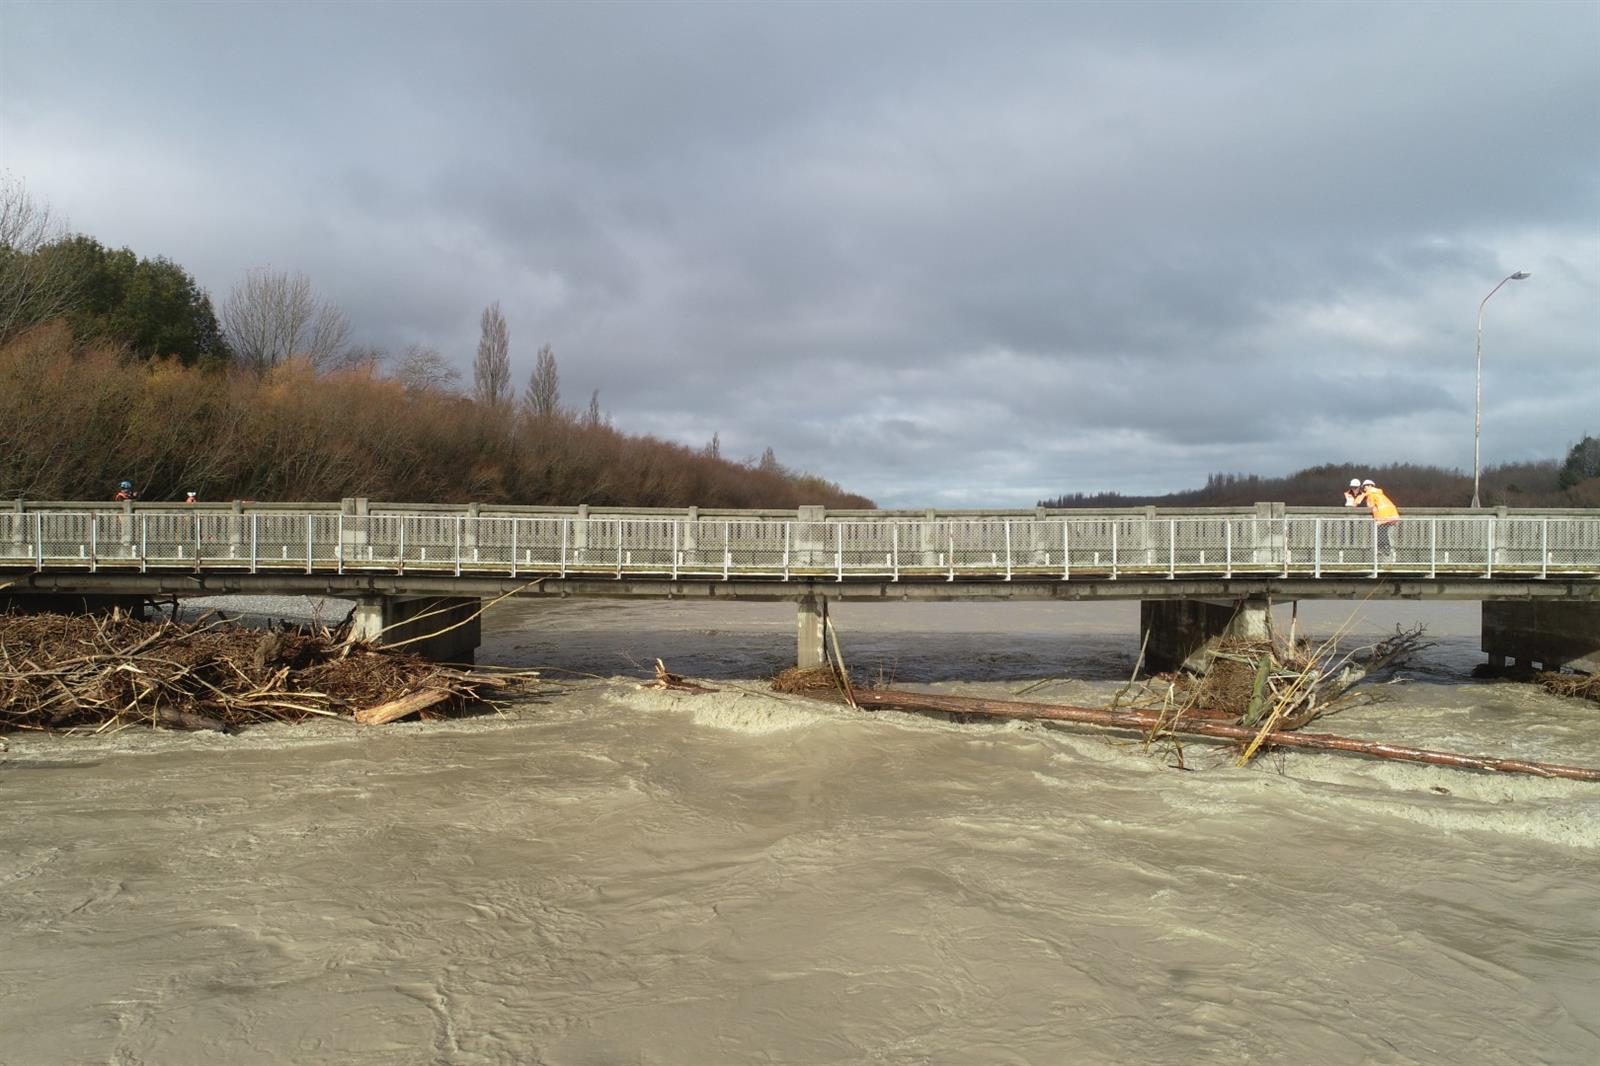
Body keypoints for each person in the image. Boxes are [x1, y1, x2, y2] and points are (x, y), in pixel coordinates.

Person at [1353, 478, 1401, 557]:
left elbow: (1370, 505)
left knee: (1380, 532)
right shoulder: (1379, 493)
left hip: (1383, 515)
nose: (1364, 488)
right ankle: (1385, 548)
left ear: (1369, 486)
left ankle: (1384, 549)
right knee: (1383, 532)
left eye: (1365, 487)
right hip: (1391, 514)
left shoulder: (1371, 494)